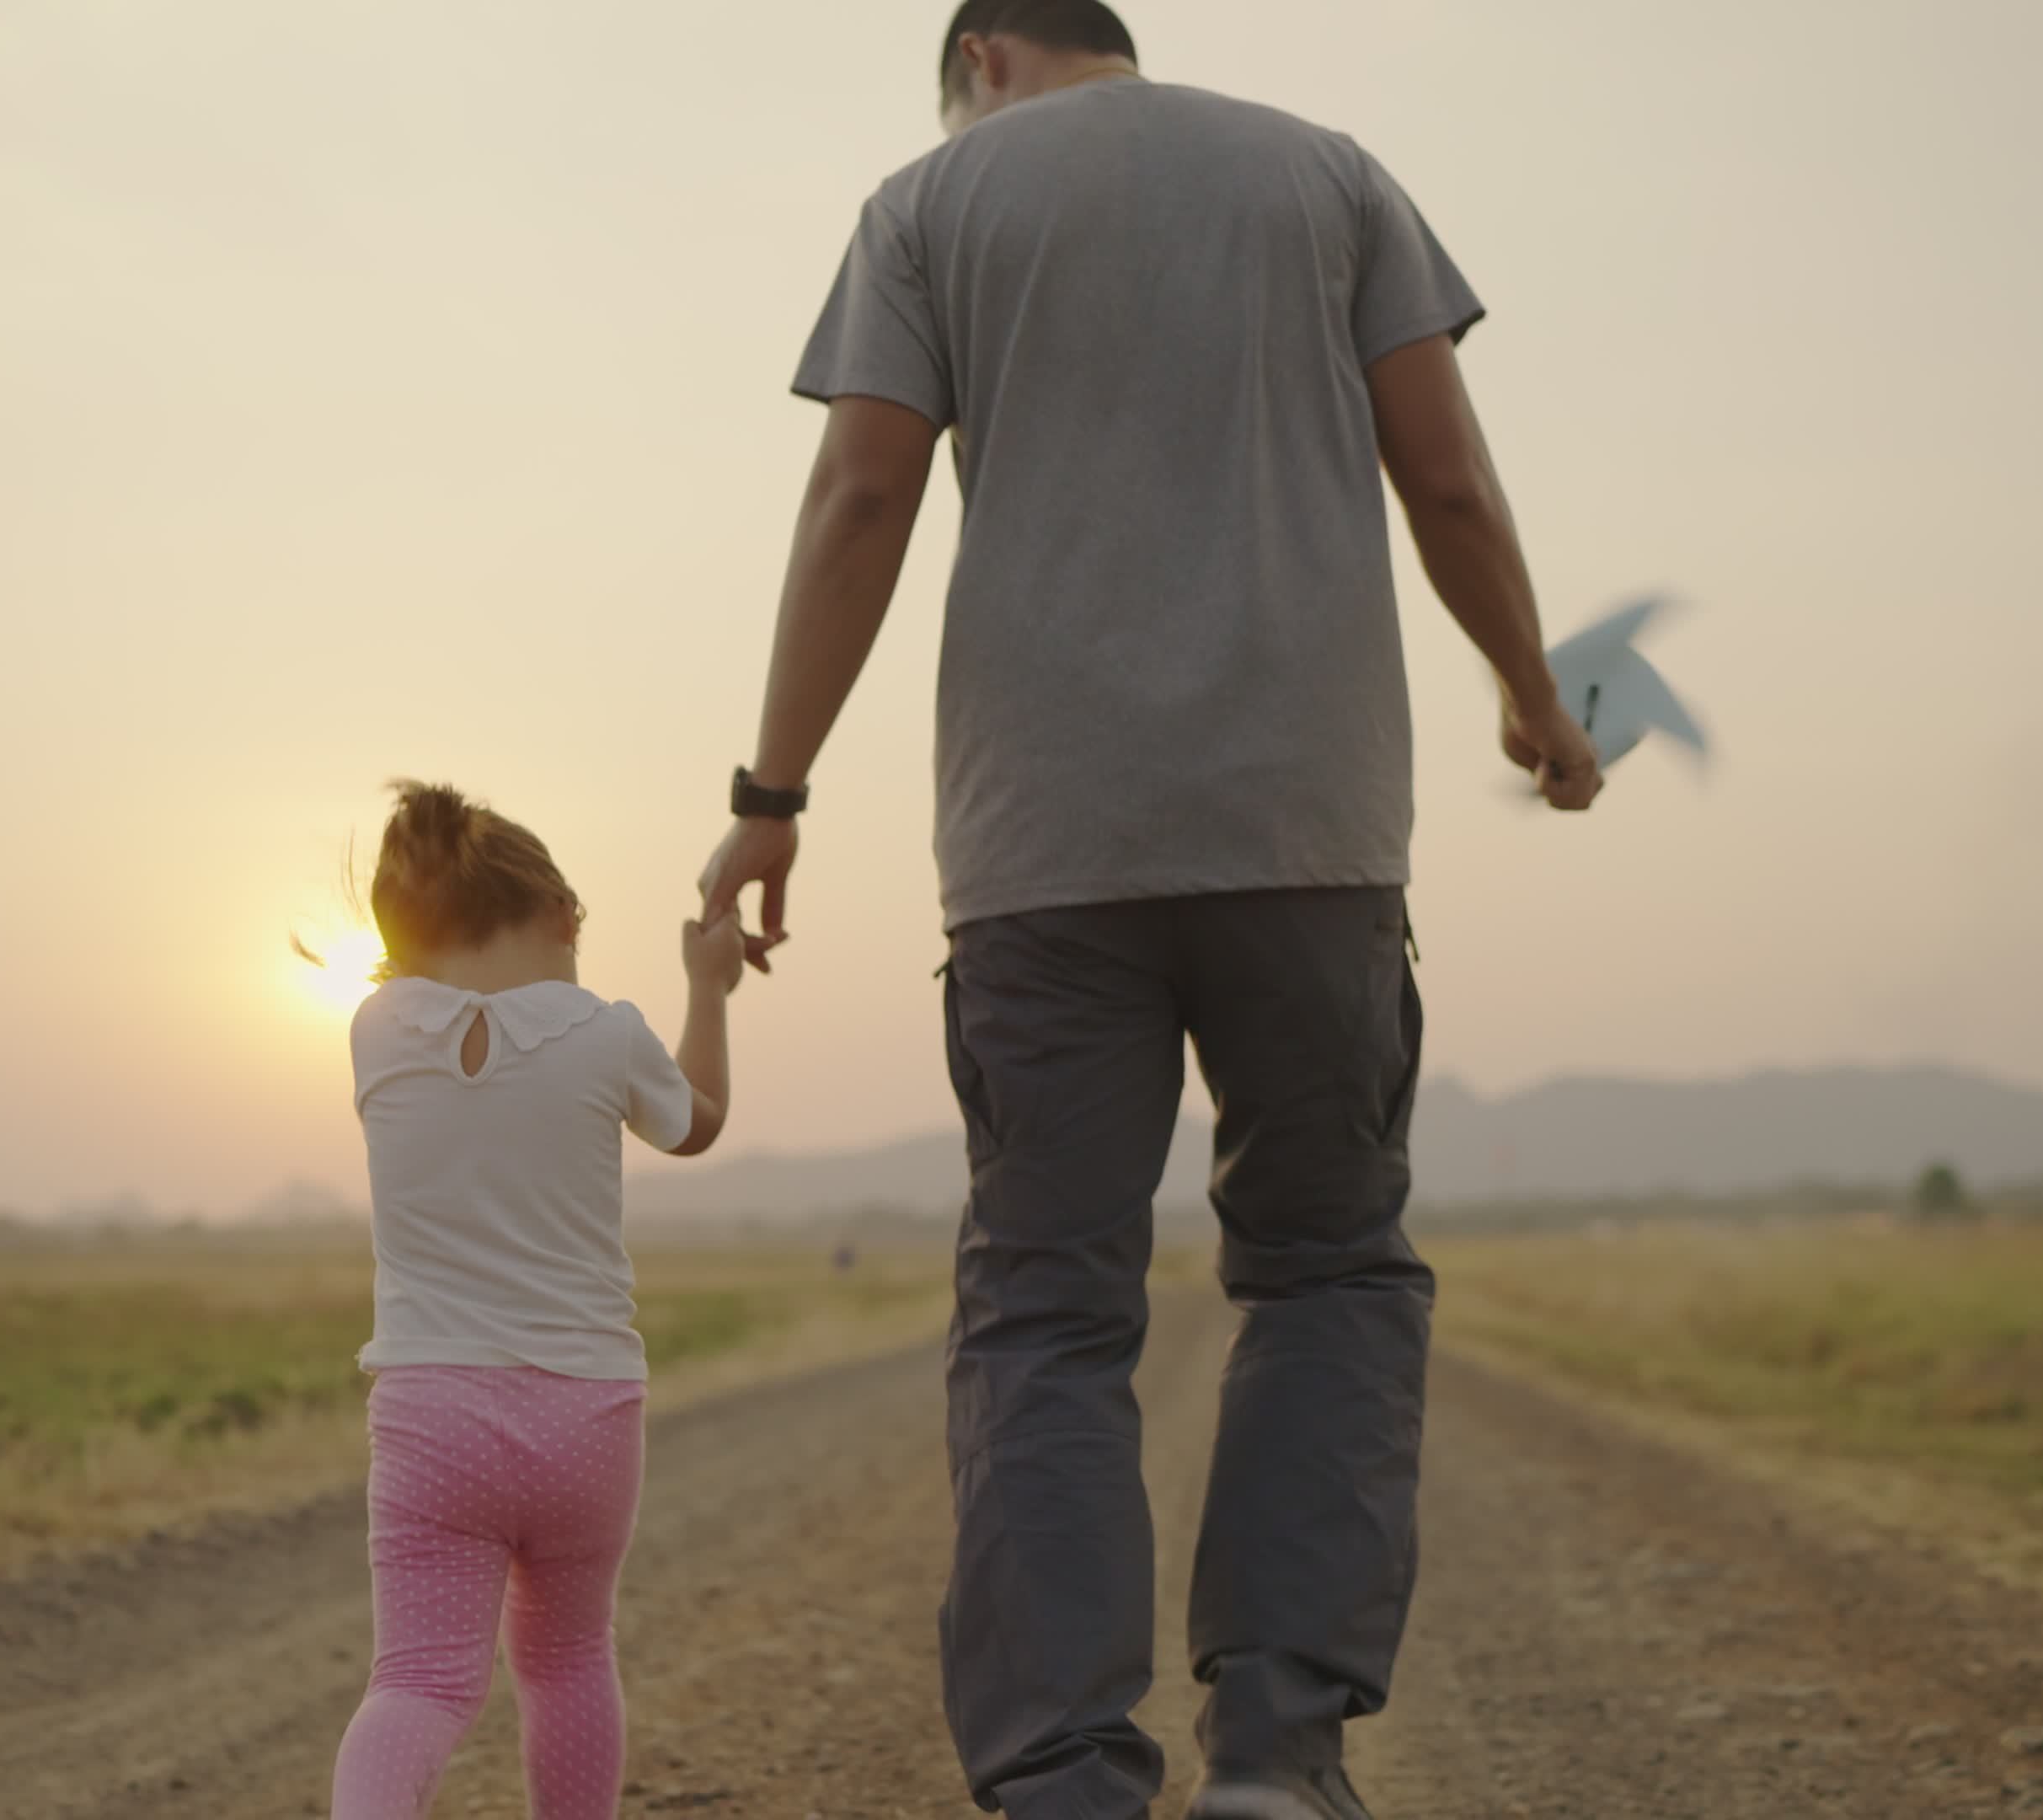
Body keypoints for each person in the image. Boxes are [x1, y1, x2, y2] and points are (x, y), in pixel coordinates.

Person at [693, 3, 1602, 1816]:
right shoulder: (1332, 178)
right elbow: (1445, 476)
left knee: (1045, 1313)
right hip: (1309, 838)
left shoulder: (928, 208)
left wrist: (770, 798)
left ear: (982, 58)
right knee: (1327, 1272)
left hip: (1042, 858)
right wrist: (1533, 694)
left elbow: (862, 494)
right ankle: (1277, 1757)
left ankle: (1062, 1784)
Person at [331, 781, 744, 1820]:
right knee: (567, 1659)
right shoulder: (606, 1033)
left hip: (434, 1417)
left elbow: (436, 993)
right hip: (585, 1413)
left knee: (419, 1682)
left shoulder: (376, 1030)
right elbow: (697, 1123)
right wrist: (709, 986)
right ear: (562, 913)